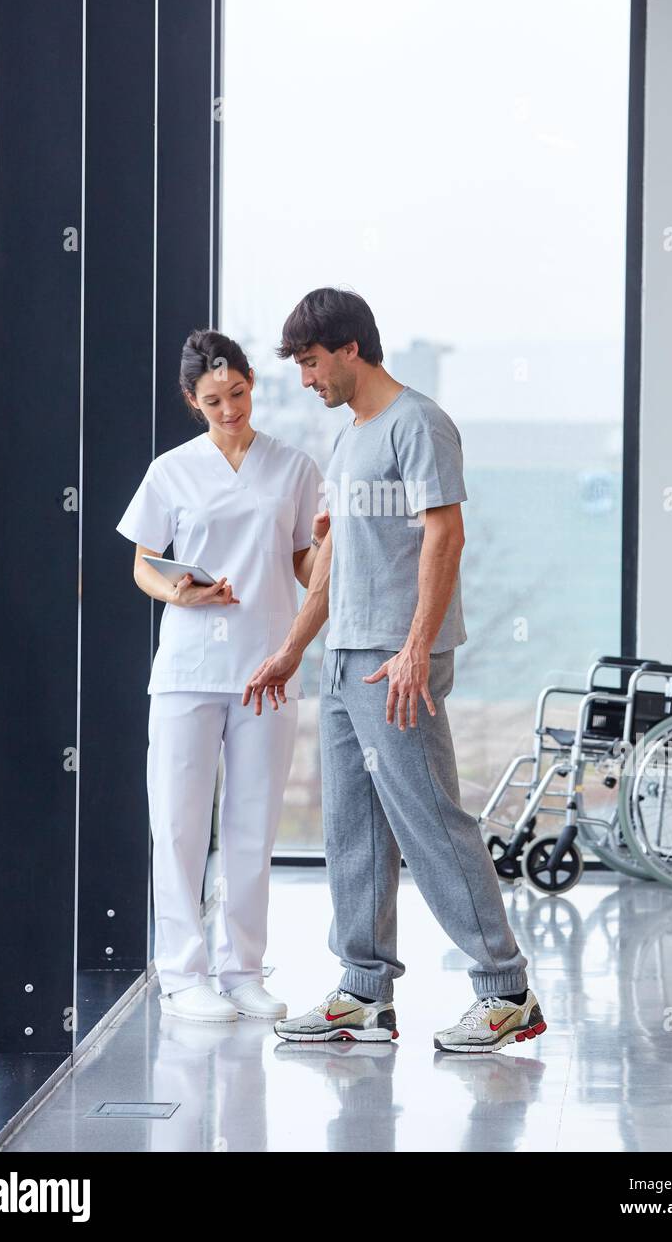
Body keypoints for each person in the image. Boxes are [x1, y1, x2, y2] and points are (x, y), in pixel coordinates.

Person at [243, 288, 546, 1054]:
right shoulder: (349, 440)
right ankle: (363, 994)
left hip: (397, 660)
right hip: (346, 658)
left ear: (350, 349)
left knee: (431, 821)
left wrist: (415, 647)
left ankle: (505, 989)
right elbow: (336, 560)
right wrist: (291, 648)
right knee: (352, 829)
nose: (306, 379)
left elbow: (446, 537)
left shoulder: (418, 423)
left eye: (312, 362)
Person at [116, 329, 325, 1025]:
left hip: (267, 664)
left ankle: (242, 971)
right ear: (191, 400)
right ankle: (182, 974)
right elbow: (146, 561)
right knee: (177, 824)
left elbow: (303, 565)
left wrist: (329, 551)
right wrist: (178, 591)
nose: (230, 409)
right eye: (213, 400)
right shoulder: (171, 470)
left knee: (251, 825)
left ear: (250, 385)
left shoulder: (293, 468)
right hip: (187, 668)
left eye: (238, 393)